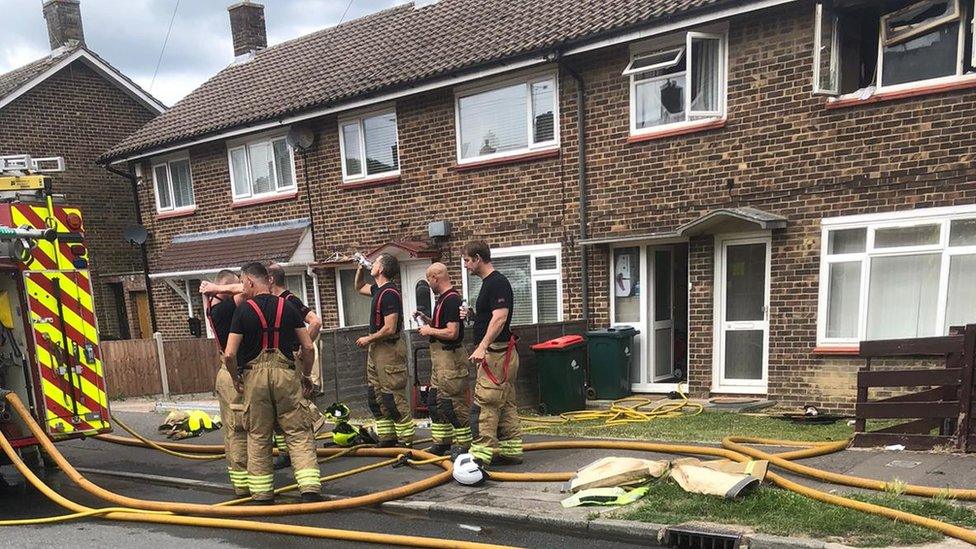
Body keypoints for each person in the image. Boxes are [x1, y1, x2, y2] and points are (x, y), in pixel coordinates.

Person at [223, 262, 321, 504]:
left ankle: (262, 493)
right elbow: (308, 346)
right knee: (298, 432)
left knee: (258, 435)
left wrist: (236, 378)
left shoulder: (243, 311)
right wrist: (306, 374)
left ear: (249, 281)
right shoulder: (288, 307)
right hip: (286, 375)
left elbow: (229, 354)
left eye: (243, 282)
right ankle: (309, 488)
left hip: (254, 377)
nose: (242, 287)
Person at [461, 241, 522, 467]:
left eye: (467, 260)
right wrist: (473, 315)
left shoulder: (496, 283)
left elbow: (500, 318)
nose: (466, 265)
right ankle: (511, 450)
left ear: (477, 258)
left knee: (485, 403)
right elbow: (491, 317)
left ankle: (481, 455)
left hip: (496, 356)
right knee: (505, 402)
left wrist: (482, 346)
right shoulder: (490, 284)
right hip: (501, 354)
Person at [267, 264, 324, 468]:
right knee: (280, 406)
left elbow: (315, 322)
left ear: (271, 280)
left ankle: (311, 429)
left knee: (293, 405)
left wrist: (302, 347)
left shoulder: (290, 300)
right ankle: (286, 452)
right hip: (277, 362)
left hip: (290, 359)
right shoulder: (272, 301)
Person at [354, 253, 413, 447]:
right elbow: (359, 287)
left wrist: (368, 339)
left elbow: (390, 327)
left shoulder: (389, 294)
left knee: (392, 396)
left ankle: (406, 441)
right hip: (376, 350)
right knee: (376, 394)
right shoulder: (378, 290)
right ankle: (387, 437)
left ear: (380, 269)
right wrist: (360, 267)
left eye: (375, 262)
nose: (373, 264)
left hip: (388, 350)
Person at [415, 262, 471, 456]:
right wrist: (427, 320)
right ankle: (442, 442)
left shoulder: (452, 300)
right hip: (439, 358)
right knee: (435, 401)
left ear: (435, 278)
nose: (428, 284)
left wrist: (429, 330)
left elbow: (452, 332)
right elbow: (442, 326)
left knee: (453, 403)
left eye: (428, 279)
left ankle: (465, 443)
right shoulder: (442, 300)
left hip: (450, 357)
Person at [204, 269, 249, 496]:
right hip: (234, 373)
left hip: (224, 372)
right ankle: (244, 484)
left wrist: (213, 290)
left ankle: (239, 480)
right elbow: (249, 289)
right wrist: (223, 288)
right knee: (239, 429)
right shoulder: (226, 307)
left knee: (230, 429)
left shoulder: (212, 307)